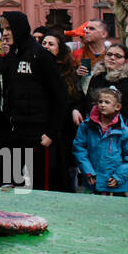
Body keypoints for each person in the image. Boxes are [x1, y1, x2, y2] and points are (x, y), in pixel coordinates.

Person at [0, 11, 68, 191]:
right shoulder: (10, 57)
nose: (5, 33)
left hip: (37, 136)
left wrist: (51, 133)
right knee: (7, 186)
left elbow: (60, 96)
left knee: (37, 188)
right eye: (3, 29)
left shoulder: (40, 56)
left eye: (9, 29)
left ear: (20, 28)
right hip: (11, 135)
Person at [73, 86, 128, 196]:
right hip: (91, 183)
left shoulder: (125, 132)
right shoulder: (86, 126)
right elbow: (79, 149)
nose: (102, 105)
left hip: (114, 186)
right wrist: (88, 171)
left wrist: (119, 176)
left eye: (107, 102)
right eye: (100, 101)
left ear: (117, 106)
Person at [42, 29, 83, 192]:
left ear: (60, 49)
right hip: (44, 127)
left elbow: (76, 98)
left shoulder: (69, 72)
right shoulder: (38, 69)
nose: (46, 46)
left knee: (63, 170)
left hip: (64, 129)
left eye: (51, 44)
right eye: (43, 43)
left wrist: (75, 109)